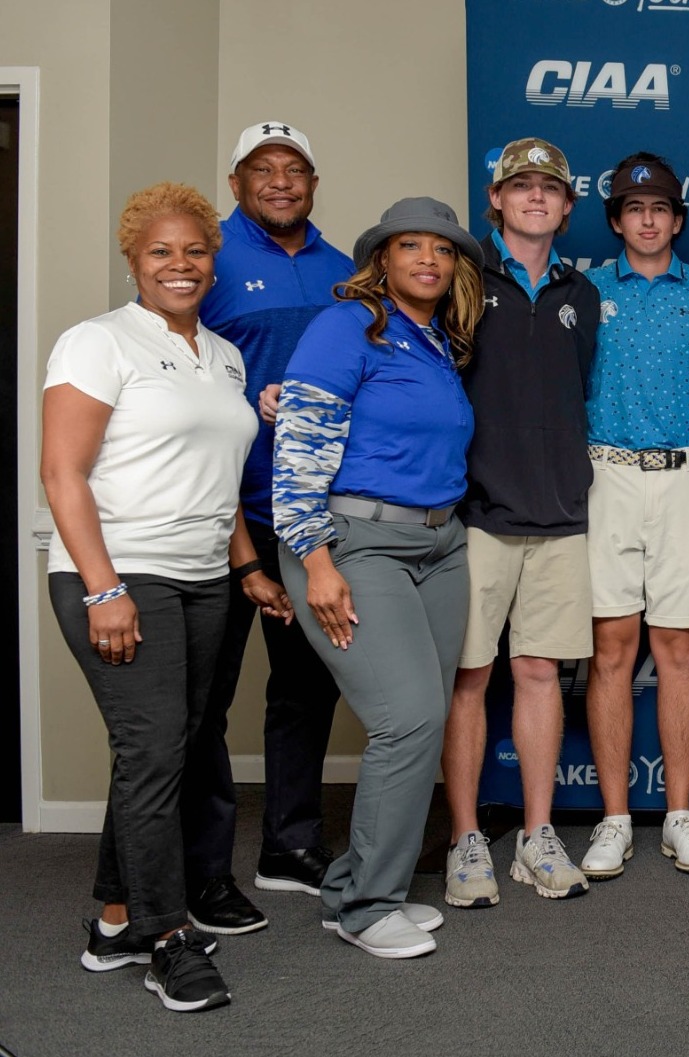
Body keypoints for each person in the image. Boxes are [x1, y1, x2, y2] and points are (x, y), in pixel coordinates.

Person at [47, 181, 267, 1012]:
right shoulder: (97, 342)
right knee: (153, 751)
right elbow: (62, 473)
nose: (181, 264)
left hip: (205, 578)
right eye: (161, 252)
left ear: (214, 260)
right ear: (134, 260)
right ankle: (165, 937)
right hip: (120, 571)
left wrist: (248, 568)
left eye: (195, 250)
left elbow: (220, 480)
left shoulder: (225, 355)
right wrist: (104, 587)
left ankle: (113, 920)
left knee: (173, 746)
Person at [274, 196, 484, 958]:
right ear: (382, 259)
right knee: (408, 719)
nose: (428, 259)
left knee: (423, 718)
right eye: (410, 246)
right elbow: (297, 450)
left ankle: (349, 890)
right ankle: (369, 907)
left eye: (443, 248)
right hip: (356, 543)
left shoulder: (436, 339)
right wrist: (315, 560)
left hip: (440, 543)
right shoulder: (346, 326)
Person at [197, 120, 357, 919]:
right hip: (223, 513)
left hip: (309, 515)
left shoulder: (343, 269)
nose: (281, 181)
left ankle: (290, 846)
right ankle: (199, 868)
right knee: (205, 696)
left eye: (295, 169)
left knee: (303, 688)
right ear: (236, 184)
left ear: (313, 184)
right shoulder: (208, 258)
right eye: (263, 169)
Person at [438, 139, 599, 907]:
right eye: (520, 185)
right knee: (469, 676)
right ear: (495, 199)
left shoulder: (582, 292)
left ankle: (537, 835)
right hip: (477, 513)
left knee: (539, 673)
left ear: (567, 206)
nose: (535, 197)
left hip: (561, 512)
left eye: (549, 188)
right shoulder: (461, 278)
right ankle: (466, 837)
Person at [584, 152, 689, 876]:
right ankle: (614, 819)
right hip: (605, 475)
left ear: (676, 219)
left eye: (659, 209)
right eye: (634, 209)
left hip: (686, 474)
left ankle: (678, 814)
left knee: (678, 649)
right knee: (612, 649)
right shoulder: (585, 291)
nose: (647, 220)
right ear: (615, 220)